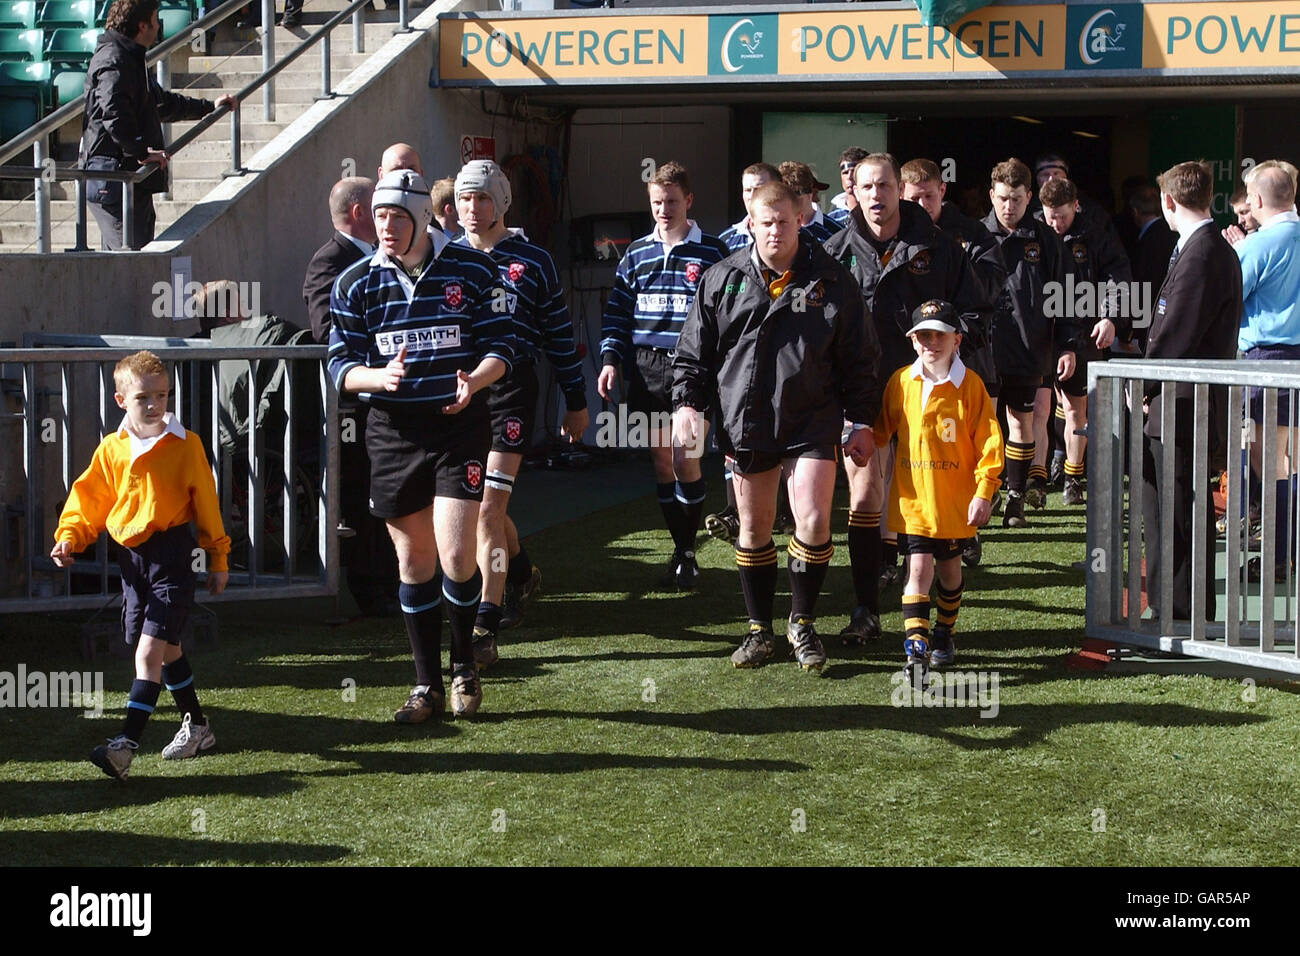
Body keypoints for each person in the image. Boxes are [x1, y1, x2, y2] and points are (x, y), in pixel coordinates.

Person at [328, 170, 515, 721]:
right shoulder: (355, 283)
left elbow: (501, 346)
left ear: (421, 218)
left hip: (458, 427)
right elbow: (339, 366)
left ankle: (464, 666)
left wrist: (474, 382)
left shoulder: (475, 267)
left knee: (457, 555)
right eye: (378, 216)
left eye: (396, 217)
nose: (384, 226)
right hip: (391, 433)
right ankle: (426, 685)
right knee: (414, 560)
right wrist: (376, 378)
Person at [673, 180, 880, 673]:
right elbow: (692, 354)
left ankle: (802, 623)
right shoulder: (722, 278)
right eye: (765, 223)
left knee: (811, 517)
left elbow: (861, 359)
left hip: (813, 417)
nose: (775, 232)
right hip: (746, 420)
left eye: (784, 222)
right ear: (752, 224)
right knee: (754, 527)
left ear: (800, 220)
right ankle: (759, 631)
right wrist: (686, 405)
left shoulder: (832, 280)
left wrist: (862, 420)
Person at [824, 152, 992, 643]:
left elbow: (980, 312)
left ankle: (934, 618)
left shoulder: (939, 248)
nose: (875, 195)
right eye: (865, 187)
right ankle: (864, 609)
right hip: (862, 399)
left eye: (884, 186)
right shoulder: (834, 253)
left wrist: (945, 362)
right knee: (864, 500)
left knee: (924, 503)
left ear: (900, 189)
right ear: (852, 193)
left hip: (926, 400)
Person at [52, 351, 230, 780]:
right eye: (143, 397)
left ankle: (124, 747)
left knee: (148, 653)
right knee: (166, 649)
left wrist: (217, 556)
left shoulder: (186, 444)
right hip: (131, 562)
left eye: (162, 395)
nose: (155, 405)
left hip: (174, 556)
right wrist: (69, 535)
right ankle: (200, 727)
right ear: (120, 400)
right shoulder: (111, 448)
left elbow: (206, 500)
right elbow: (89, 498)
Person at [453, 160, 588, 666]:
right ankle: (524, 571)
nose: (472, 208)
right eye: (465, 199)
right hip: (463, 392)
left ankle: (486, 620)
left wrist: (576, 401)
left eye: (482, 198)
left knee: (487, 508)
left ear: (502, 202)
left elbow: (557, 332)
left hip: (512, 391)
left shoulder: (533, 260)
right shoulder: (445, 257)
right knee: (482, 506)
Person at [597, 161, 730, 589]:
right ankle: (681, 549)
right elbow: (617, 313)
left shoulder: (712, 252)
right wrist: (610, 360)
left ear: (688, 201)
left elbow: (726, 315)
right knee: (660, 462)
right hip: (647, 366)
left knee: (683, 456)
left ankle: (688, 549)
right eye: (657, 202)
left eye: (672, 201)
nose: (664, 209)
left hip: (693, 367)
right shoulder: (635, 254)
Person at [873, 301, 1002, 686]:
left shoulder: (971, 386)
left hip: (954, 504)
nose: (932, 342)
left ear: (956, 339)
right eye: (924, 335)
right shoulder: (900, 382)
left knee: (949, 574)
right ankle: (916, 650)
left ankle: (945, 631)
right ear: (913, 342)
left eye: (940, 334)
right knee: (918, 570)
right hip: (914, 502)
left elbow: (991, 446)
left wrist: (983, 492)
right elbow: (881, 429)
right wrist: (856, 439)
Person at [1142, 160, 1242, 621]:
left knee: (1178, 511)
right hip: (1182, 403)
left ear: (1168, 200)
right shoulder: (1203, 247)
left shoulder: (1202, 253)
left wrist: (1142, 382)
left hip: (1184, 405)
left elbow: (1176, 335)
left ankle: (1180, 610)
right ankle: (1177, 605)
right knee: (1173, 508)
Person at [901, 156, 1008, 567]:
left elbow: (988, 291)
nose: (922, 204)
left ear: (942, 190)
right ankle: (911, 537)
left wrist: (948, 331)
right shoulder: (900, 237)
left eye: (929, 195)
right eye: (914, 197)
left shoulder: (971, 234)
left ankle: (968, 529)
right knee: (917, 452)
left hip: (967, 359)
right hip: (914, 364)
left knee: (965, 451)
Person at [81, 0, 236, 250]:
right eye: (155, 19)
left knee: (135, 259)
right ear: (142, 25)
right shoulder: (115, 58)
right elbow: (113, 111)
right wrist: (141, 152)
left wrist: (209, 106)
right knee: (130, 265)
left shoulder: (130, 56)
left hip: (125, 178)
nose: (158, 25)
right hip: (114, 177)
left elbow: (160, 102)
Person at [983, 158, 1075, 528]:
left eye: (1017, 199)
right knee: (983, 426)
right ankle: (985, 493)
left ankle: (1016, 499)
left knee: (1021, 423)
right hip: (981, 351)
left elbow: (1069, 294)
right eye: (1003, 198)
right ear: (992, 195)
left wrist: (1069, 343)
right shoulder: (974, 236)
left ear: (1030, 197)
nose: (1009, 207)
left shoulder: (1045, 240)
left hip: (1027, 347)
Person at [1037, 176, 1131, 505]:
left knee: (1077, 405)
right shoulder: (1033, 232)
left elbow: (1116, 275)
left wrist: (1112, 318)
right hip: (1040, 333)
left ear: (1075, 206)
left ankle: (1073, 476)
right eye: (1050, 216)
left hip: (1082, 330)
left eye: (1062, 216)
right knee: (1039, 406)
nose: (1056, 223)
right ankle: (1037, 474)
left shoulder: (1094, 232)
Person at [1233, 160, 1300, 581]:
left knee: (1275, 465)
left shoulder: (1258, 245)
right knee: (1288, 463)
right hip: (1287, 359)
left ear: (1256, 201)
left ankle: (1279, 555)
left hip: (1268, 361)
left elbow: (1226, 298)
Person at [303, 177, 376, 345]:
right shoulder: (328, 261)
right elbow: (325, 329)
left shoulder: (382, 253)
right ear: (358, 212)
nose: (385, 211)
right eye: (377, 205)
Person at [719, 162, 779, 252]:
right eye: (747, 190)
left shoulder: (796, 235)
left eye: (758, 189)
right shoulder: (726, 240)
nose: (752, 196)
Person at [779, 161, 843, 242]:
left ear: (811, 192)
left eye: (796, 194)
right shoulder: (776, 231)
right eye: (784, 195)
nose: (790, 201)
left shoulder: (836, 232)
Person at [828, 146, 869, 227]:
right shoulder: (832, 219)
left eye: (854, 171)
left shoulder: (876, 211)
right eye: (845, 172)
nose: (849, 177)